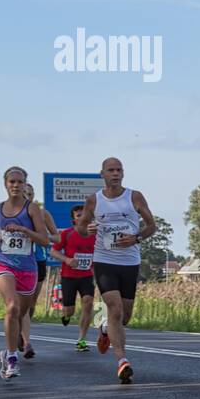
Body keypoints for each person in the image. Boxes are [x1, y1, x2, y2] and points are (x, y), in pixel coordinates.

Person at [80, 158, 157, 384]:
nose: (115, 173)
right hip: (104, 260)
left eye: (119, 170)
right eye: (111, 170)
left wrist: (137, 237)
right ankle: (122, 361)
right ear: (102, 174)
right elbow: (81, 228)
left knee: (124, 316)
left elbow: (152, 226)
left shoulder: (135, 197)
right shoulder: (94, 200)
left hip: (129, 262)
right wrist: (88, 228)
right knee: (114, 308)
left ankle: (104, 328)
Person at [0, 168, 52, 379]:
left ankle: (8, 351)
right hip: (4, 264)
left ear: (25, 184)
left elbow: (45, 240)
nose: (16, 185)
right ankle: (11, 357)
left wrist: (24, 231)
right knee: (12, 306)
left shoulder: (32, 209)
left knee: (20, 313)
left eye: (20, 182)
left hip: (27, 267)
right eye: (12, 181)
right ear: (5, 184)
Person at [17, 182, 59, 360]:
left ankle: (21, 331)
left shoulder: (42, 213)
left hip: (37, 260)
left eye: (30, 193)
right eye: (25, 193)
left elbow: (57, 237)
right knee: (20, 306)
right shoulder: (10, 213)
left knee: (30, 304)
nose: (28, 195)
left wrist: (41, 236)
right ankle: (26, 342)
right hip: (17, 262)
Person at [51, 204, 97, 351]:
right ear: (74, 220)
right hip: (69, 276)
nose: (82, 218)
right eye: (79, 216)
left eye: (85, 215)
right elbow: (53, 252)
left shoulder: (96, 235)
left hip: (86, 276)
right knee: (69, 310)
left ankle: (81, 340)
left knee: (88, 303)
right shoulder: (67, 234)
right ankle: (66, 316)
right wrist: (67, 260)